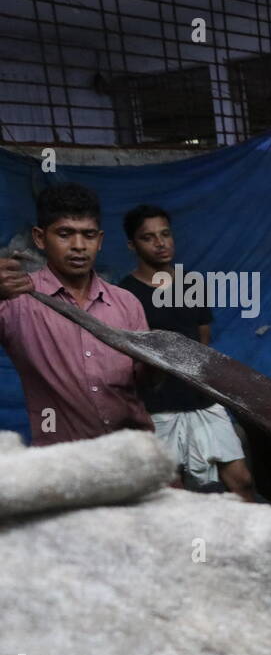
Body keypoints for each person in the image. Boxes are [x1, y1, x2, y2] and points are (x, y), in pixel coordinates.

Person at [117, 204, 255, 501]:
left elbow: (202, 341)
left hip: (202, 400)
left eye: (165, 234)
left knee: (241, 482)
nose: (160, 242)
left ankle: (251, 545)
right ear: (132, 245)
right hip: (160, 408)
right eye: (148, 237)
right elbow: (129, 355)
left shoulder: (192, 284)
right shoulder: (125, 295)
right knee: (171, 493)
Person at [0, 183, 154, 446]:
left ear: (100, 240)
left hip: (133, 457)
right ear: (39, 238)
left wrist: (165, 362)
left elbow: (146, 384)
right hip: (65, 467)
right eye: (65, 234)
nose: (79, 246)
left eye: (89, 235)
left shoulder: (127, 303)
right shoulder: (15, 299)